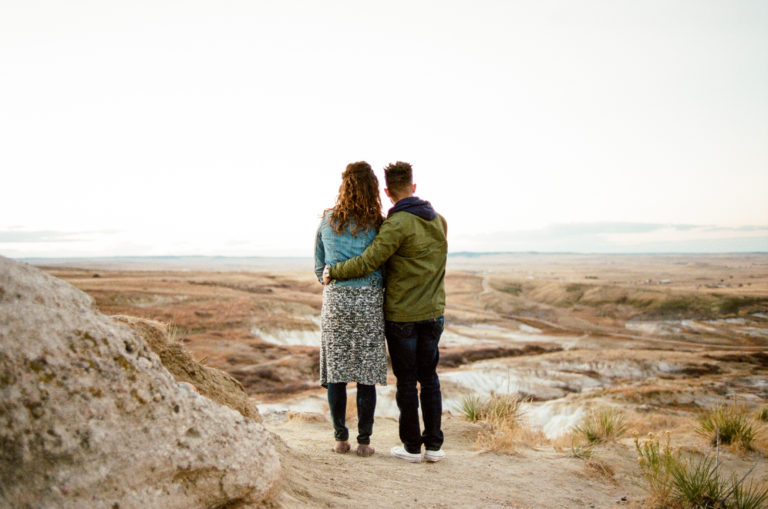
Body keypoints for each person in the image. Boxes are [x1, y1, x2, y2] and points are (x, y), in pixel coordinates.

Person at [324, 161, 448, 463]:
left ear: (388, 191)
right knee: (429, 379)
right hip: (434, 313)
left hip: (403, 315)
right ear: (414, 187)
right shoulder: (439, 221)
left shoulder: (395, 224)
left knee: (407, 381)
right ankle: (434, 445)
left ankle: (411, 448)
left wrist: (333, 271)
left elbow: (369, 262)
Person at [314, 161, 387, 457]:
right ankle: (364, 442)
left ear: (343, 186)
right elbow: (384, 267)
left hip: (336, 302)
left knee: (337, 373)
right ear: (372, 189)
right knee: (365, 373)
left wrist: (332, 277)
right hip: (369, 302)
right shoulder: (379, 224)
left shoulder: (327, 220)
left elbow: (320, 269)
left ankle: (339, 439)